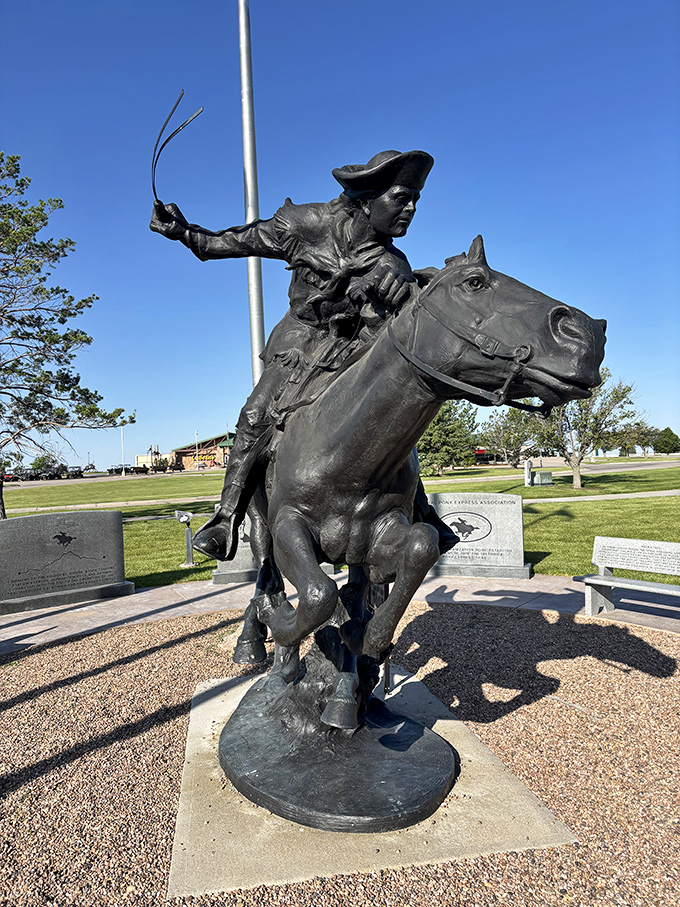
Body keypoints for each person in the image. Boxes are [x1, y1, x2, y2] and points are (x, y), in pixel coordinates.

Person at [151, 149, 450, 560]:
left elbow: (394, 334)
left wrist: (399, 295)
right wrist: (186, 233)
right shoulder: (306, 225)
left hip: (350, 346)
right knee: (255, 414)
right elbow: (237, 240)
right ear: (367, 198)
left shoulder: (393, 263)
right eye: (402, 197)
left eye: (416, 198)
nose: (412, 208)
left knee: (384, 413)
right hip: (300, 337)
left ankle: (419, 507)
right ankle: (226, 519)